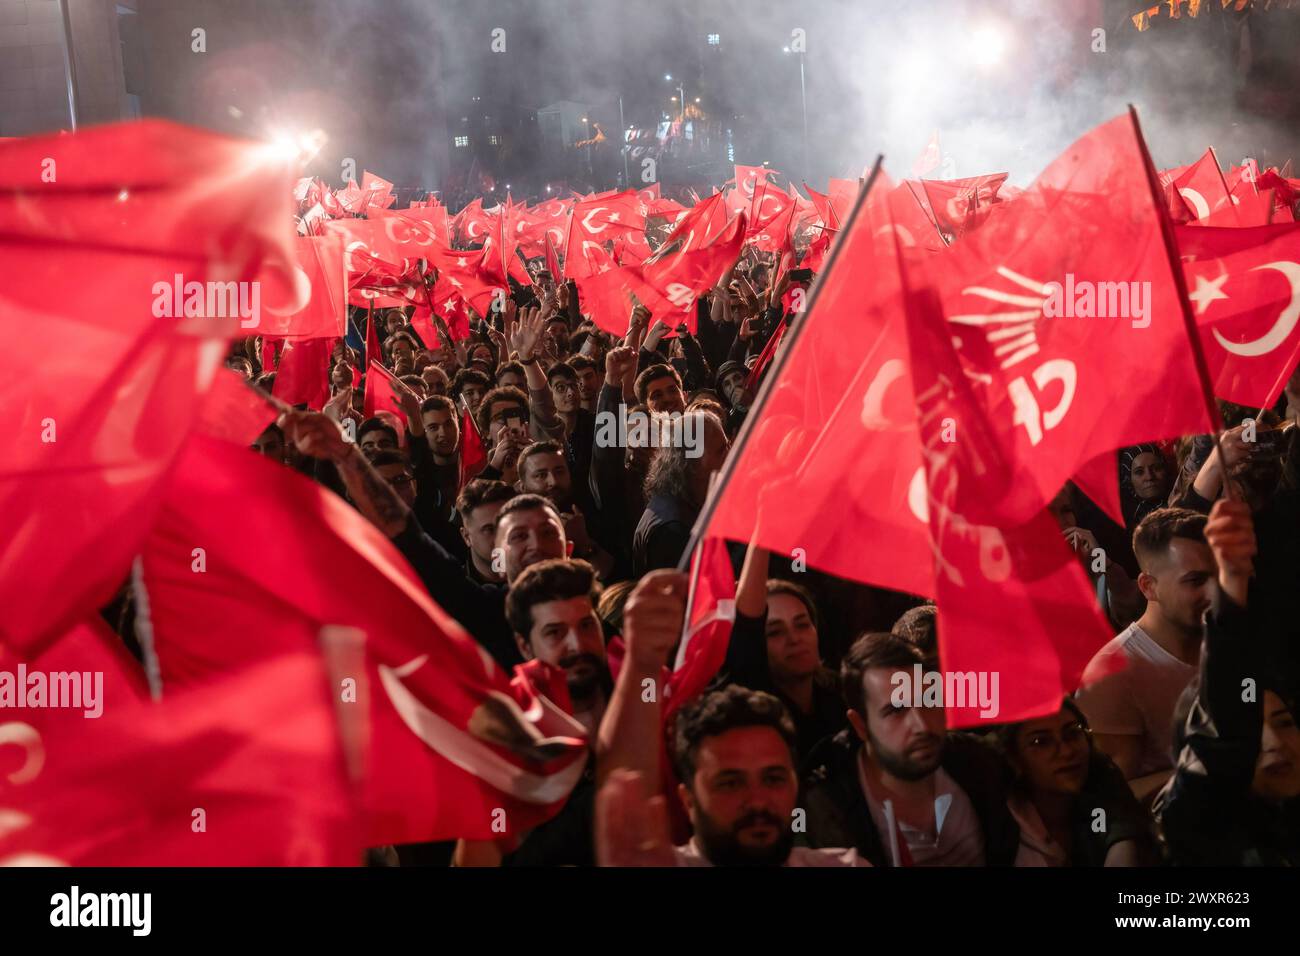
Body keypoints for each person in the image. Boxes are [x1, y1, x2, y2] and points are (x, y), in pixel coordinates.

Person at [1155, 499, 1300, 865]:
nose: (1273, 743)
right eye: (1252, 728)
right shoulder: (1194, 824)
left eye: (1284, 722)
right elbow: (1223, 732)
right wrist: (1231, 584)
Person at [803, 631, 1018, 866]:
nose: (921, 725)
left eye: (929, 700)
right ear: (860, 725)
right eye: (896, 710)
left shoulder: (980, 763)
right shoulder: (826, 807)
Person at [1075, 507, 1210, 802]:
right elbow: (1110, 800)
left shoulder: (1227, 642)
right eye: (1196, 581)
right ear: (1149, 587)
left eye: (1220, 576)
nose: (1215, 592)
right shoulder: (1113, 673)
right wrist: (1205, 770)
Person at [995, 699, 1158, 866]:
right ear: (1014, 758)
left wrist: (1120, 843)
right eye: (1041, 742)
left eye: (1073, 733)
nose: (1067, 751)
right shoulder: (1002, 825)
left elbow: (1110, 827)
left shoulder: (1097, 798)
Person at [633, 409, 729, 574]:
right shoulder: (673, 532)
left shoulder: (684, 503)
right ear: (691, 464)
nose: (731, 455)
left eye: (728, 445)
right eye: (721, 451)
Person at [456, 478, 516, 584]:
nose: (503, 538)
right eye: (490, 529)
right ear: (466, 537)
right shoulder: (450, 592)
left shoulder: (540, 584)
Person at [1119, 443, 1173, 530]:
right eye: (1139, 472)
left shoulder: (1182, 501)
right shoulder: (1123, 522)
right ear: (1129, 479)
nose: (1149, 477)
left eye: (1156, 468)